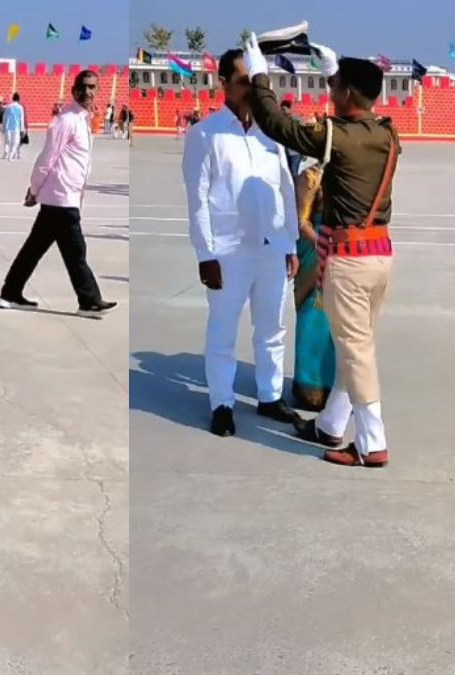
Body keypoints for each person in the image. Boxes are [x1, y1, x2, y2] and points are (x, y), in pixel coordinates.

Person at [243, 34, 399, 467]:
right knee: (355, 345)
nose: (330, 94)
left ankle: (372, 443)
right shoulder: (388, 134)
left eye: (334, 87)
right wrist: (334, 72)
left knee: (356, 350)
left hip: (350, 262)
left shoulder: (337, 136)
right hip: (380, 255)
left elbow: (277, 124)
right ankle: (331, 424)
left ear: (346, 94)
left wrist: (260, 76)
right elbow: (353, 112)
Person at [181, 48, 301, 436]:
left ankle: (270, 395)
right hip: (228, 251)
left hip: (272, 248)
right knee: (223, 331)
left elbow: (285, 187)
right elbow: (198, 198)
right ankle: (222, 403)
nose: (252, 88)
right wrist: (206, 254)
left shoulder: (271, 134)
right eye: (244, 81)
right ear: (224, 85)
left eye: (255, 80)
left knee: (272, 328)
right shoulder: (206, 134)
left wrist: (291, 243)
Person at [0, 70, 118, 318]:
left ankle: (10, 293)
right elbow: (47, 157)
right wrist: (34, 189)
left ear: (98, 90)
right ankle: (89, 301)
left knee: (34, 249)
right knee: (75, 251)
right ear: (73, 90)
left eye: (92, 87)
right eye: (83, 87)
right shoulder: (66, 120)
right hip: (61, 197)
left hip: (62, 197)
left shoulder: (82, 120)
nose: (87, 92)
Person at [291, 160, 335, 411]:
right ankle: (309, 388)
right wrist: (322, 242)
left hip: (342, 255)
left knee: (337, 326)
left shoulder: (349, 173)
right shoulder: (310, 177)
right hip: (315, 255)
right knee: (312, 320)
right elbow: (300, 221)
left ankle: (335, 388)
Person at [2, 92, 25, 160]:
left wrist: (3, 126)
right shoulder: (20, 108)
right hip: (16, 127)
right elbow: (21, 119)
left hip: (8, 126)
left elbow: (4, 117)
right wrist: (22, 129)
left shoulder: (9, 107)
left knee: (7, 141)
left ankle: (6, 154)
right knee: (15, 142)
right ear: (18, 99)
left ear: (13, 99)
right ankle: (11, 155)